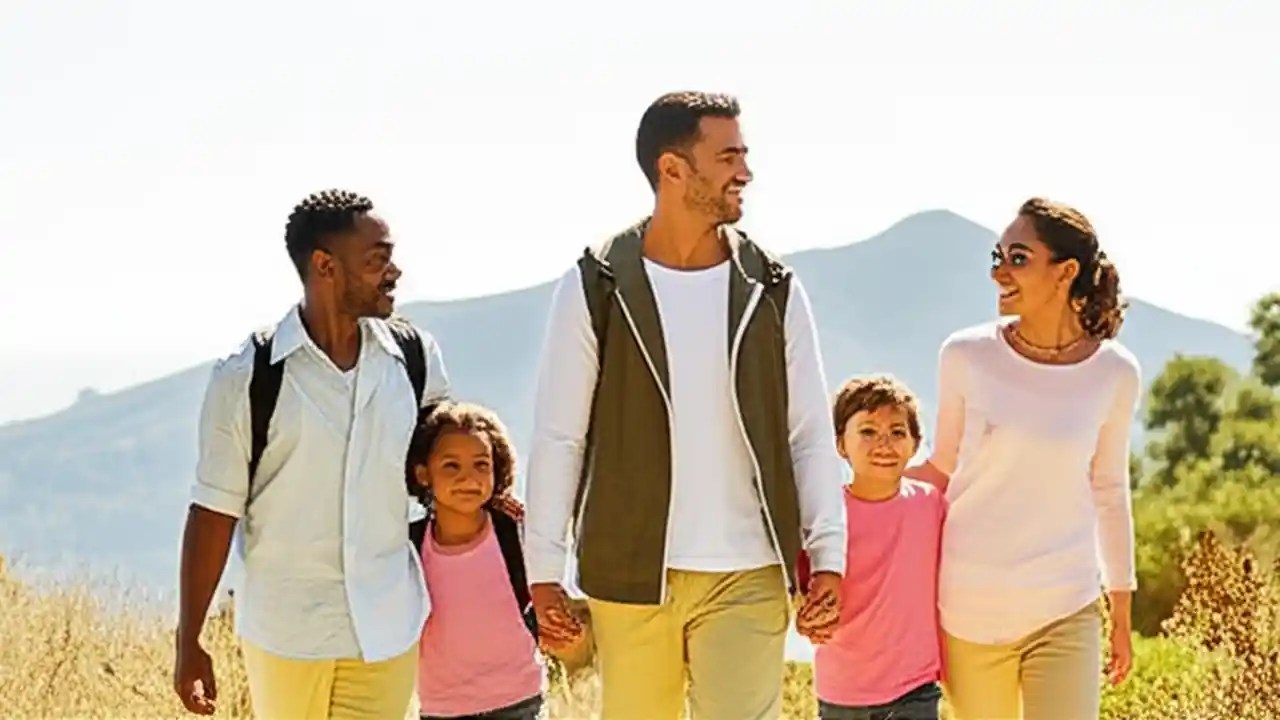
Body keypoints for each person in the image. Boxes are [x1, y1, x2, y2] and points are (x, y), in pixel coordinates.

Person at [522, 90, 847, 720]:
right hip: (631, 573)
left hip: (750, 569)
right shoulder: (596, 285)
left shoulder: (772, 288)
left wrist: (828, 553)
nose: (745, 173)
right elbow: (559, 436)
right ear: (673, 169)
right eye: (728, 157)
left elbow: (807, 432)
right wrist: (545, 569)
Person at [173, 189, 450, 719]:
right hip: (288, 635)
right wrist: (190, 640)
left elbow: (445, 471)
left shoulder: (415, 360)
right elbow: (213, 511)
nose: (394, 272)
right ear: (325, 266)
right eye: (376, 260)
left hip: (388, 631)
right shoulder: (247, 378)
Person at [907, 197, 1140, 720]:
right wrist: (852, 501)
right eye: (997, 257)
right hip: (969, 609)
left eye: (1017, 258)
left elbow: (1109, 488)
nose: (998, 274)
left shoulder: (1114, 373)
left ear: (1066, 272)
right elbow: (939, 468)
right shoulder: (965, 355)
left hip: (1065, 604)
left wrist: (1121, 604)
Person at [796, 374, 946, 720]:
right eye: (867, 431)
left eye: (897, 432)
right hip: (843, 692)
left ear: (915, 443)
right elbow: (804, 592)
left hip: (916, 689)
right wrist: (806, 618)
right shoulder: (824, 515)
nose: (884, 443)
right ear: (839, 444)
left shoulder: (932, 505)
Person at [406, 400, 561, 720]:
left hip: (521, 700)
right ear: (423, 474)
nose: (469, 478)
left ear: (497, 469)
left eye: (481, 465)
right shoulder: (410, 546)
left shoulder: (513, 533)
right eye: (451, 466)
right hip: (443, 708)